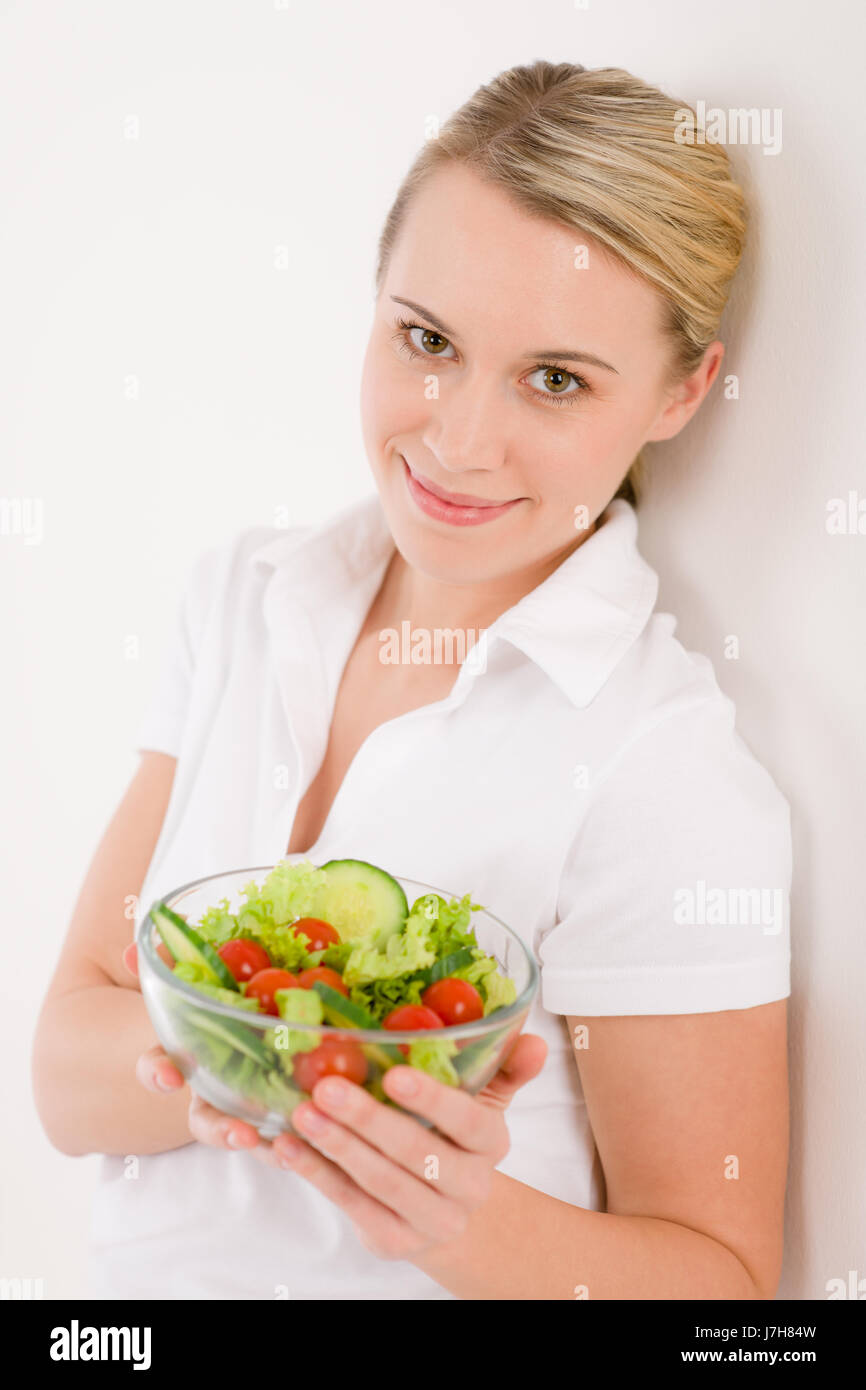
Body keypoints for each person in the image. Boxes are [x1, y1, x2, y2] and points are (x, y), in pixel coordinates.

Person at [32, 59, 791, 1300]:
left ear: (681, 391)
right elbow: (65, 1071)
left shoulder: (661, 768)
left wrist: (448, 1215)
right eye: (425, 339)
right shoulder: (241, 597)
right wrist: (296, 1061)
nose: (455, 438)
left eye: (555, 379)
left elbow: (723, 1297)